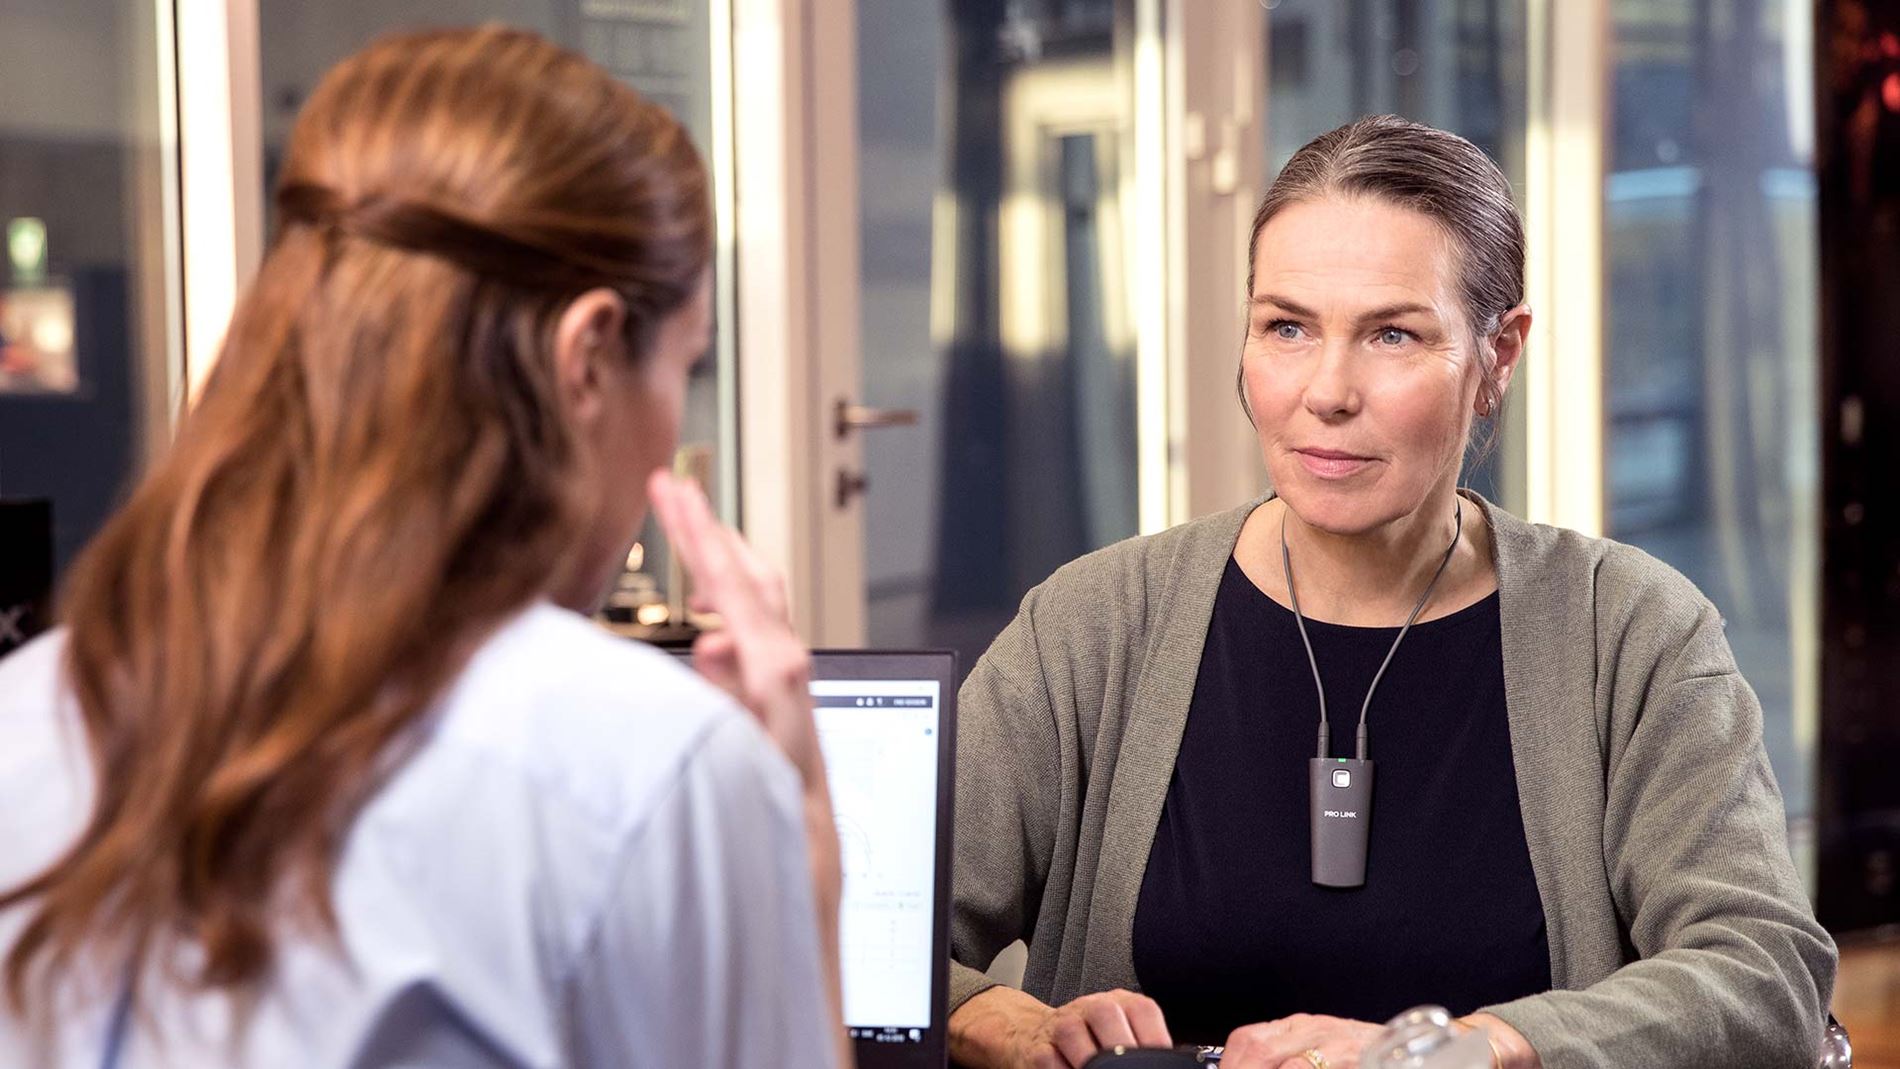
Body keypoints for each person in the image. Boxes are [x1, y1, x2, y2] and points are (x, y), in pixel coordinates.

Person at [0, 27, 844, 1069]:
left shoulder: (33, 703)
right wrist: (802, 843)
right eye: (685, 363)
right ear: (587, 356)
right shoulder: (651, 771)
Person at [945, 115, 1836, 1069]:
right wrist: (998, 1018)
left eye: (1392, 334)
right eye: (1287, 327)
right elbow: (867, 932)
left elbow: (1765, 970)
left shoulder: (1631, 634)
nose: (1327, 391)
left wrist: (1471, 1050)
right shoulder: (1089, 627)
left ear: (1499, 355)